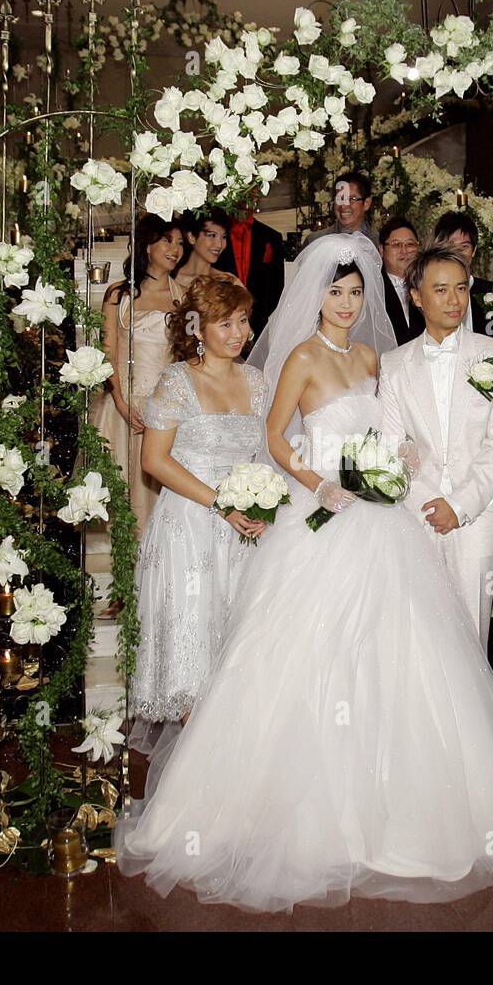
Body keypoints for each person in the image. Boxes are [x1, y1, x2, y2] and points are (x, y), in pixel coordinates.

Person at [114, 233, 493, 912]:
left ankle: (396, 806)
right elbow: (278, 436)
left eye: (355, 292)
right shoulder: (300, 359)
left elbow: (387, 431)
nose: (346, 303)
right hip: (320, 518)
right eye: (335, 292)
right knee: (302, 651)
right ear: (313, 296)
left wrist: (392, 459)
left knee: (395, 653)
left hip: (379, 517)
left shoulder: (375, 358)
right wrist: (319, 482)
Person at [128, 277, 270, 753]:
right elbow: (154, 460)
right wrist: (221, 504)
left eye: (243, 321)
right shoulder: (176, 381)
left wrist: (263, 504)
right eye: (224, 323)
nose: (238, 333)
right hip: (189, 529)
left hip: (244, 533)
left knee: (238, 657)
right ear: (198, 328)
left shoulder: (256, 381)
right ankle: (191, 776)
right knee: (193, 661)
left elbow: (265, 455)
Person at [379, 244, 493, 646]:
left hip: (476, 517)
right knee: (417, 636)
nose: (454, 299)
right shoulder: (394, 364)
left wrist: (459, 506)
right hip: (415, 514)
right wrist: (426, 503)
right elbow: (393, 445)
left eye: (461, 288)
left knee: (472, 636)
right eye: (440, 290)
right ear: (417, 297)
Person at [91, 214, 184, 532]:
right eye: (167, 240)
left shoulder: (183, 296)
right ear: (146, 245)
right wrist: (120, 401)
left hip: (170, 407)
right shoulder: (119, 295)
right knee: (128, 497)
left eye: (180, 242)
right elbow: (108, 353)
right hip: (126, 405)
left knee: (164, 499)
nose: (175, 249)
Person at [431, 211, 493, 336]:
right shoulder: (430, 291)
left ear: (474, 251)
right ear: (438, 248)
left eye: (464, 246)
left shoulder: (492, 291)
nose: (457, 253)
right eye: (450, 246)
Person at [215, 200, 284, 335]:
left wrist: (257, 316)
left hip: (259, 321)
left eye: (251, 197)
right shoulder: (216, 235)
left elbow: (277, 284)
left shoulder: (272, 236)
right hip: (219, 318)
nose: (245, 204)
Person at [378, 216, 424, 344]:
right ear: (381, 250)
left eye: (410, 244)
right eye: (396, 245)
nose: (404, 251)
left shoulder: (427, 282)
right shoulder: (373, 286)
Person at [305, 171, 379, 246]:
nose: (344, 206)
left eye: (351, 199)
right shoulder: (315, 241)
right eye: (340, 199)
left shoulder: (379, 243)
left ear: (366, 203)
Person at [174, 209, 240, 291]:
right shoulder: (171, 278)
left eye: (224, 237)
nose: (219, 245)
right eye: (212, 235)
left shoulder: (229, 281)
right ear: (191, 237)